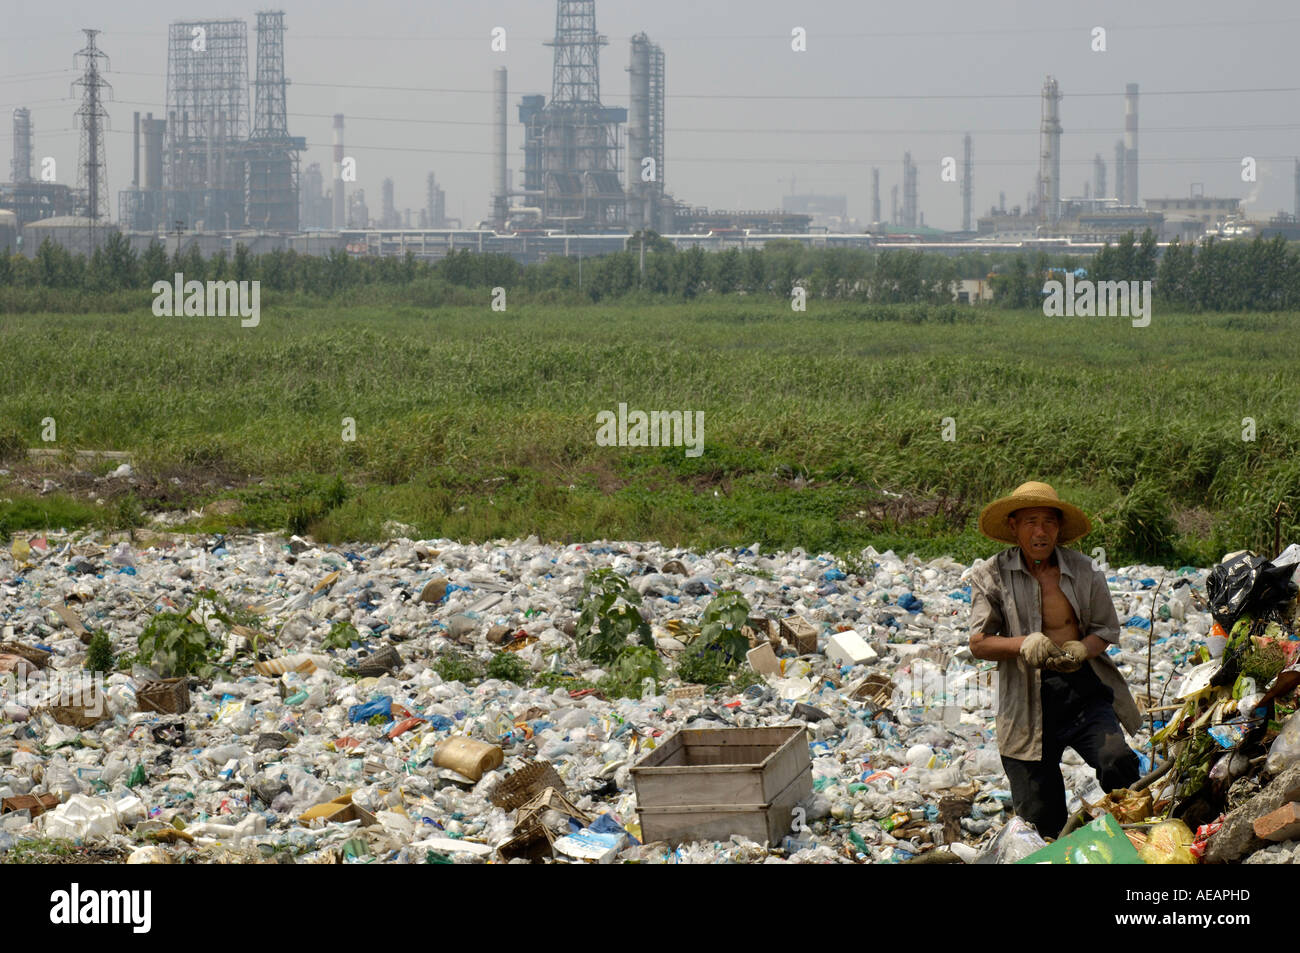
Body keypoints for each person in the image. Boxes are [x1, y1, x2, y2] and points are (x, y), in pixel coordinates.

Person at [967, 481, 1142, 839]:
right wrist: (1023, 644)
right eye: (1031, 521)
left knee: (1118, 762)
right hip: (1025, 699)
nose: (1041, 531)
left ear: (1059, 529)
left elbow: (1106, 629)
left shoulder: (1084, 570)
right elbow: (979, 643)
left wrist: (1083, 648)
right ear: (1014, 526)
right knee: (1040, 816)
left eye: (1049, 522)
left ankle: (1130, 835)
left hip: (1082, 688)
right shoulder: (990, 575)